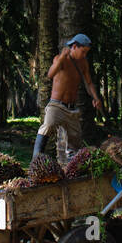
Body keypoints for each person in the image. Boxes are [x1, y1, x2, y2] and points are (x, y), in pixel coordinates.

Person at [33, 33, 104, 161]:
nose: (84, 55)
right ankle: (36, 157)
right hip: (56, 105)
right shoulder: (60, 59)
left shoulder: (83, 63)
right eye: (83, 51)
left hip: (71, 109)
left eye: (86, 52)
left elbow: (88, 83)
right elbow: (50, 74)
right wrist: (61, 59)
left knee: (75, 139)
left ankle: (70, 166)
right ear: (75, 47)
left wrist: (96, 98)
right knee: (48, 125)